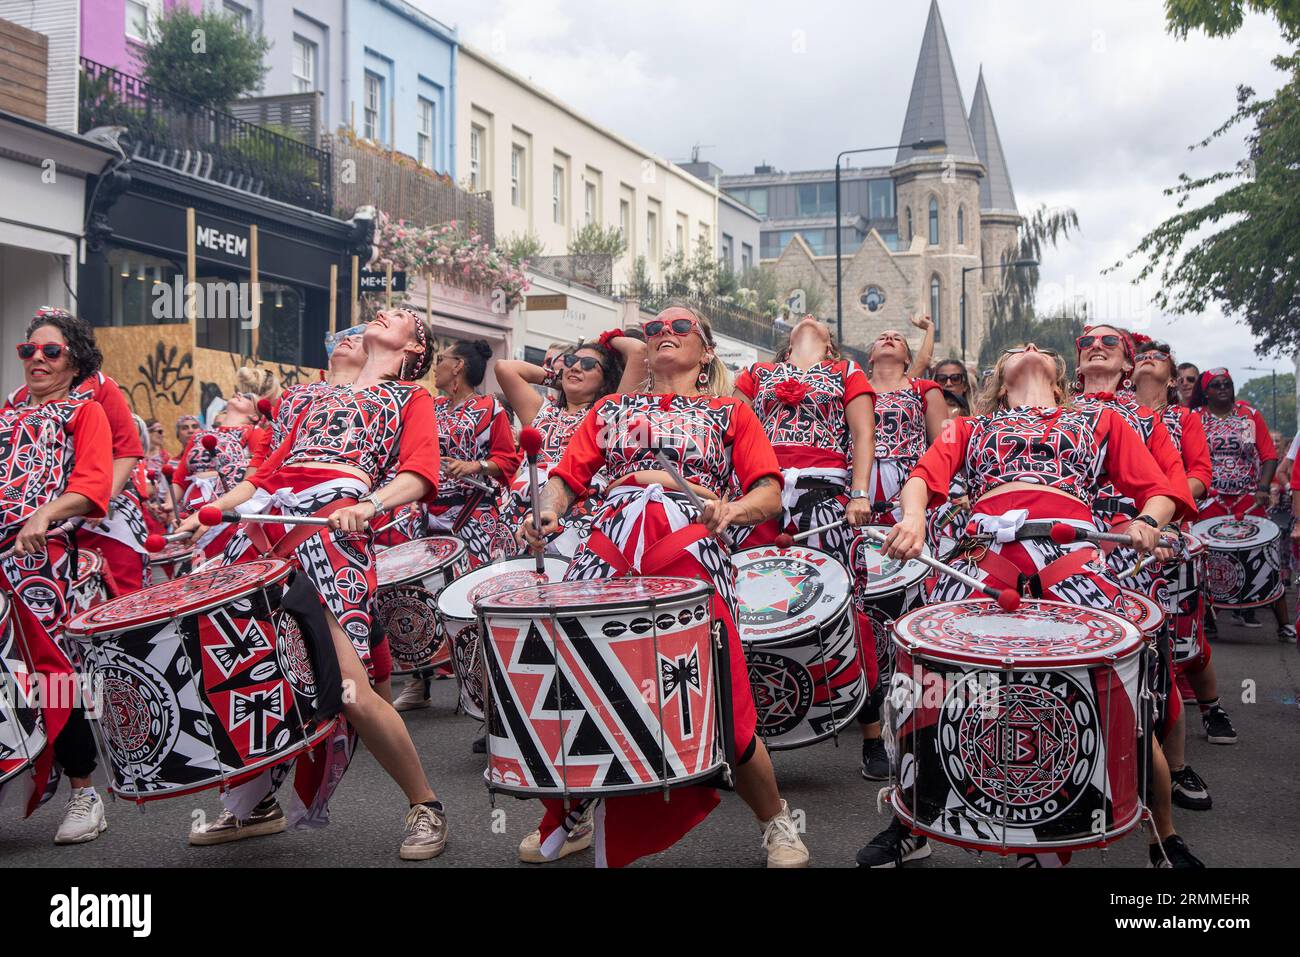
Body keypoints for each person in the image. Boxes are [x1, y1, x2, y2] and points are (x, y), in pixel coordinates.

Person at [855, 343, 1203, 868]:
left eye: (1039, 347)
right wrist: (914, 517)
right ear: (997, 378)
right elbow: (923, 478)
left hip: (1072, 555)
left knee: (1118, 694)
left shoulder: (1101, 421)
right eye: (1018, 347)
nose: (1031, 348)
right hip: (981, 555)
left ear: (1062, 383)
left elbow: (1158, 490)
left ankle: (1163, 835)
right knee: (930, 684)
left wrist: (1148, 524)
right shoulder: (967, 427)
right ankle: (909, 823)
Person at [518, 304, 809, 868]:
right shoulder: (609, 409)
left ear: (705, 351)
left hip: (690, 541)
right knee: (581, 678)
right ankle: (572, 811)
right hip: (609, 545)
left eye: (679, 328)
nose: (664, 334)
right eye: (653, 329)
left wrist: (734, 509)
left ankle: (776, 820)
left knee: (715, 689)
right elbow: (564, 479)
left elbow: (769, 494)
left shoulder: (731, 412)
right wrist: (548, 511)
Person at [177, 307, 449, 859]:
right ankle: (255, 806)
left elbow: (421, 473)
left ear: (414, 349)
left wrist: (369, 504)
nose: (382, 312)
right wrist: (212, 509)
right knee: (256, 669)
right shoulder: (304, 397)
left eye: (399, 315)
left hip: (332, 536)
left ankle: (427, 806)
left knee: (349, 686)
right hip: (267, 532)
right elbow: (266, 472)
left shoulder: (410, 399)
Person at [0, 312, 113, 841]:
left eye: (51, 352)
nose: (37, 360)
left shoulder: (85, 413)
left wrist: (42, 516)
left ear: (75, 362)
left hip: (42, 562)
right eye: (29, 352)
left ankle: (85, 792)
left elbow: (92, 486)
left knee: (51, 672)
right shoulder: (5, 415)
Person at [1131, 340, 1236, 815]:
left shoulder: (1183, 419)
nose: (1148, 357)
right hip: (1116, 543)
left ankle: (1178, 763)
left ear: (1173, 378)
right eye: (1142, 353)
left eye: (1159, 356)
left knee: (1177, 648)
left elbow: (1199, 474)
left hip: (1168, 540)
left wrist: (1163, 508)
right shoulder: (1107, 412)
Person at [391, 338, 522, 714]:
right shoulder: (428, 408)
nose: (437, 365)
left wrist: (475, 466)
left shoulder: (489, 409)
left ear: (459, 366)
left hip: (474, 519)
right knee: (418, 596)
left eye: (443, 359)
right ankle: (420, 681)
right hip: (428, 516)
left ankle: (482, 688)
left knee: (469, 602)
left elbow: (508, 460)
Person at [857, 323, 946, 777]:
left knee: (908, 605)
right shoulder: (851, 390)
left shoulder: (925, 390)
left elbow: (940, 450)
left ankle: (915, 726)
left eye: (898, 336)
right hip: (857, 503)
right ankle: (870, 726)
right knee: (864, 609)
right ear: (869, 354)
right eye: (881, 335)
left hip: (906, 500)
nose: (888, 335)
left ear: (909, 357)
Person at [733, 314, 876, 563]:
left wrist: (860, 494)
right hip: (761, 487)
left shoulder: (847, 371)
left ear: (830, 348)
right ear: (788, 346)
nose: (808, 316)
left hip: (823, 490)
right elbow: (730, 432)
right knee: (751, 573)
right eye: (803, 317)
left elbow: (863, 435)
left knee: (827, 577)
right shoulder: (757, 371)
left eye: (817, 319)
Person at [493, 330, 646, 559]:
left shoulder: (610, 413)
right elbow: (504, 368)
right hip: (519, 518)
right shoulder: (542, 410)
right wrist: (560, 377)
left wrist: (603, 340)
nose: (576, 367)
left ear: (606, 382)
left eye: (588, 365)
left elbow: (638, 351)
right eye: (572, 361)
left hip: (577, 520)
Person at [1191, 368, 1292, 639]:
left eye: (1228, 383)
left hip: (1247, 500)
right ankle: (1208, 621)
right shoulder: (1194, 419)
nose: (1223, 388)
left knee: (1266, 555)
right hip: (1209, 501)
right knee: (1206, 559)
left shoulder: (1250, 416)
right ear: (1206, 391)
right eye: (1216, 384)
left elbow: (1268, 456)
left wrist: (1262, 487)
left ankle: (1283, 624)